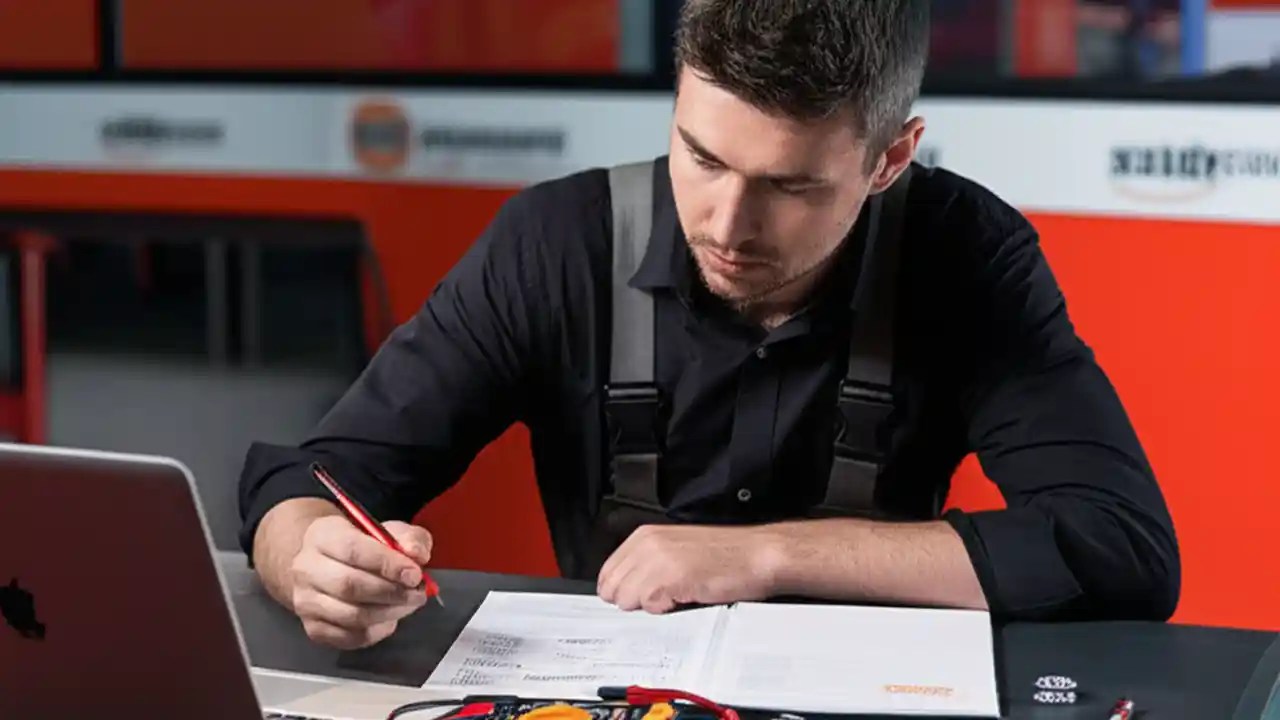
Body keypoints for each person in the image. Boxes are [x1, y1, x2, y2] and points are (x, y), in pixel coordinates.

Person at [238, 0, 1180, 651]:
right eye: (702, 156)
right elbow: (316, 477)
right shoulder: (556, 244)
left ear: (891, 157)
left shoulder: (964, 255)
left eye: (790, 185)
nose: (727, 226)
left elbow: (1120, 546)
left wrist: (764, 555)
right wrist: (306, 555)